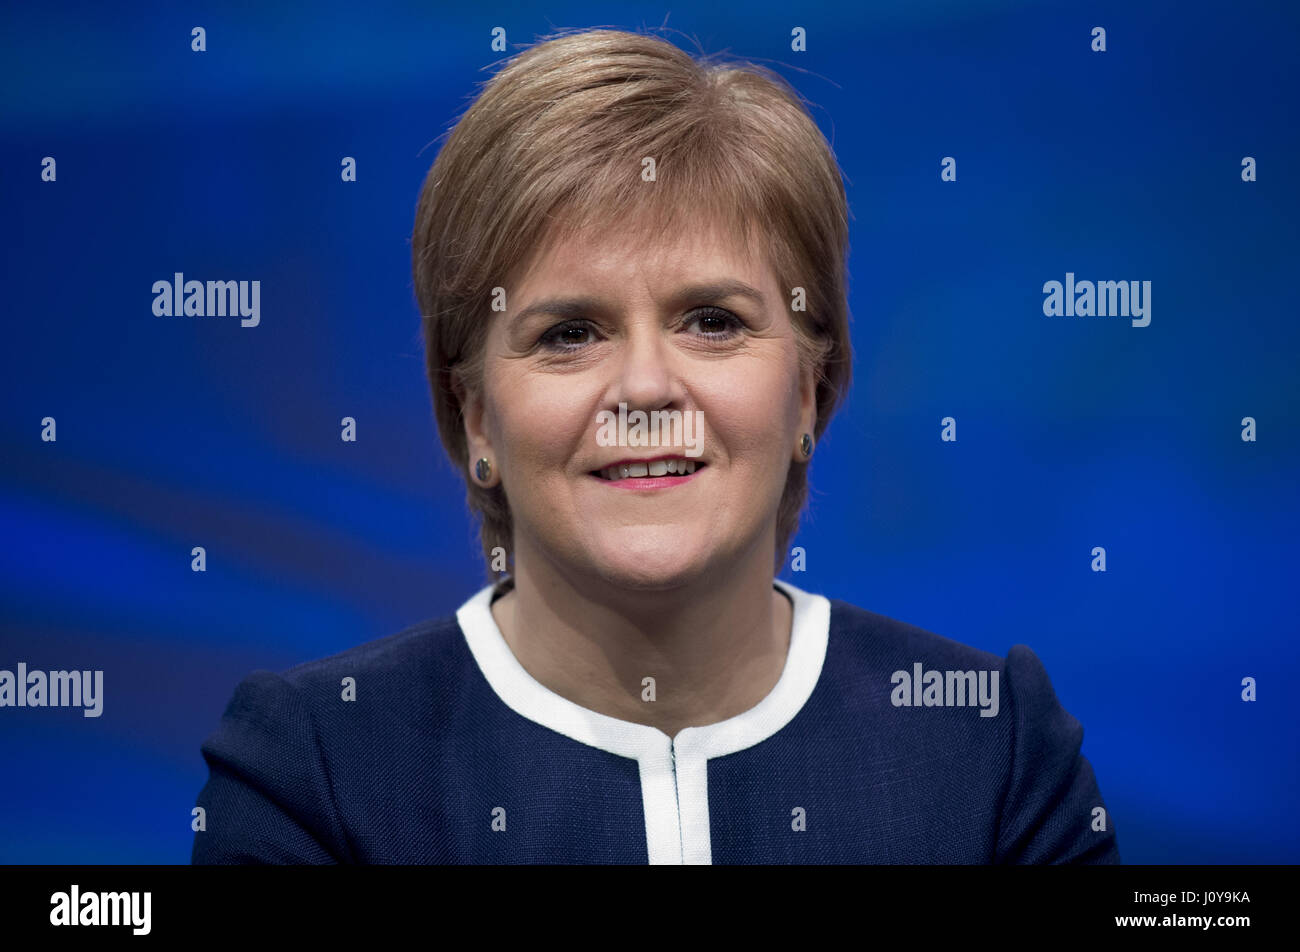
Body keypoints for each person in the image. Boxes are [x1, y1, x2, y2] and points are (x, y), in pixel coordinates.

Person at [191, 27, 1119, 864]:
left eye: (712, 321)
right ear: (475, 415)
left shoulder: (990, 751)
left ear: (807, 387)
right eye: (568, 333)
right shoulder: (314, 772)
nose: (644, 388)